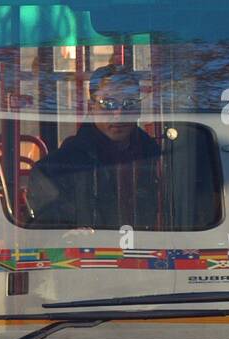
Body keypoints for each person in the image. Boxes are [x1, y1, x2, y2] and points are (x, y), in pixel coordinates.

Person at [27, 65, 162, 229]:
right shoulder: (55, 170)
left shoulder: (160, 159)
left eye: (129, 103)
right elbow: (47, 238)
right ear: (91, 107)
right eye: (108, 104)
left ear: (139, 108)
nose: (119, 114)